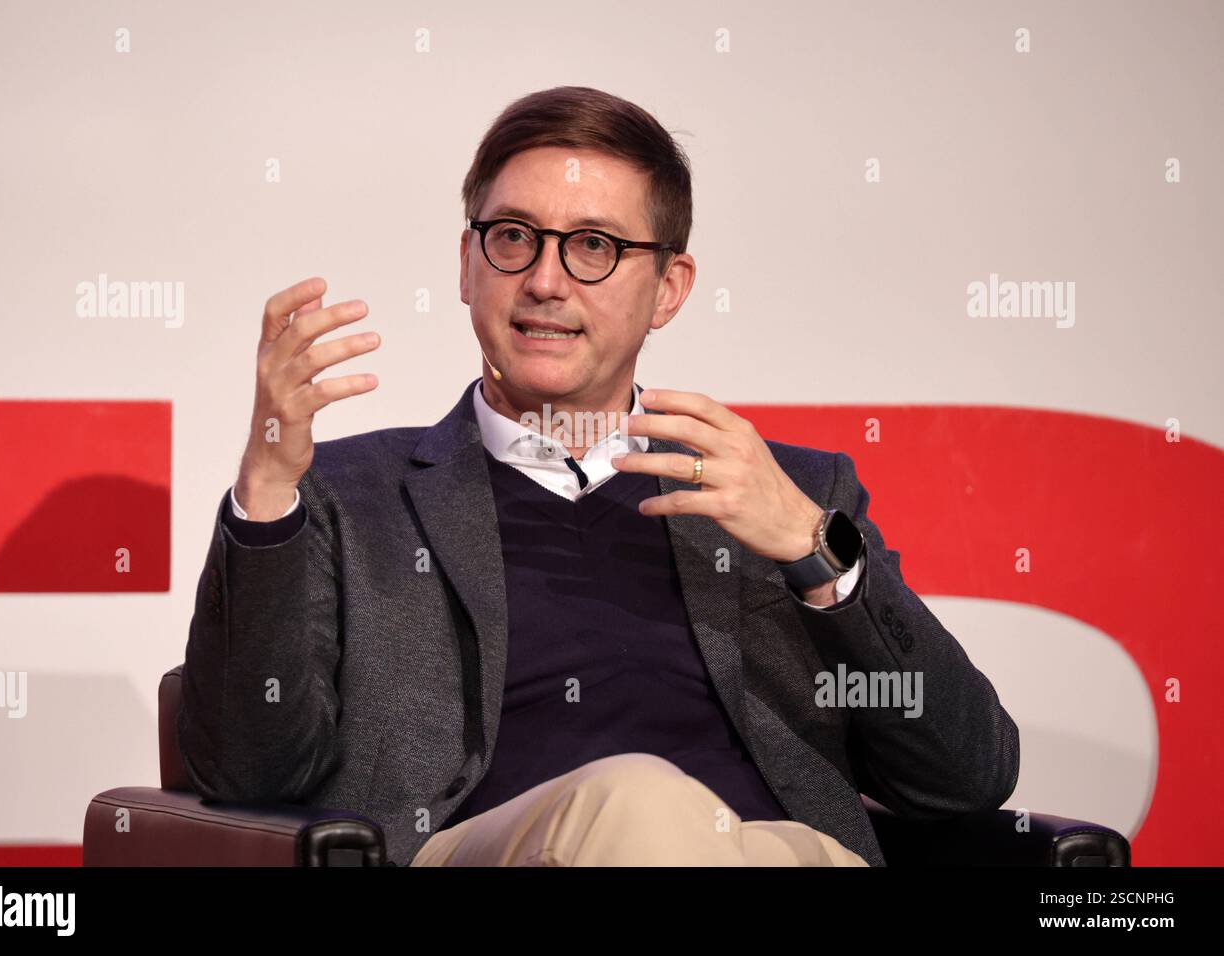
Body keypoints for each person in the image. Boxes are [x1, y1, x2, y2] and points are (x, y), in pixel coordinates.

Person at [178, 86, 1019, 867]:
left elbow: (965, 775)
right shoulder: (345, 497)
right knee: (639, 801)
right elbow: (251, 775)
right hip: (484, 852)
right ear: (467, 267)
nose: (546, 281)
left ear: (669, 288)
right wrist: (264, 497)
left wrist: (816, 556)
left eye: (594, 247)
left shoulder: (788, 495)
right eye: (513, 238)